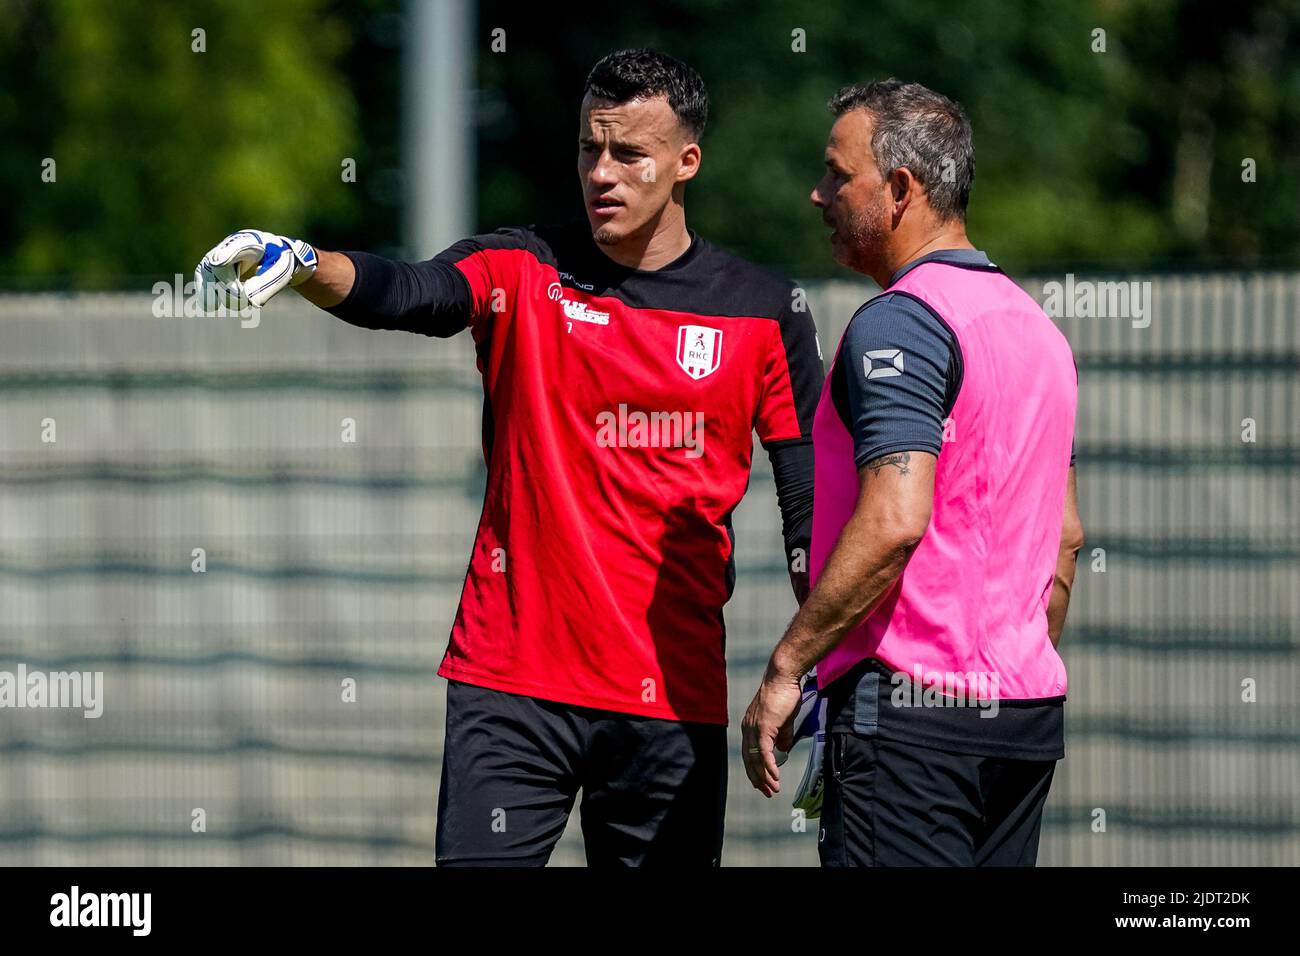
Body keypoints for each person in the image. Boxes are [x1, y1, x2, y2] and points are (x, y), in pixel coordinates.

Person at [196, 49, 822, 867]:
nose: (602, 173)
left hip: (670, 697)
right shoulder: (523, 266)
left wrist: (818, 666)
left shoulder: (764, 311)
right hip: (510, 686)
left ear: (686, 162)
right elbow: (410, 292)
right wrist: (309, 264)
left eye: (629, 153)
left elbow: (809, 503)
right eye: (589, 149)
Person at [741, 79, 1083, 867]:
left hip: (908, 725)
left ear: (900, 189)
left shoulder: (901, 322)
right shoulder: (1039, 332)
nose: (818, 193)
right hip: (1023, 719)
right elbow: (1065, 540)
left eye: (838, 174)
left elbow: (895, 520)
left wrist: (788, 668)